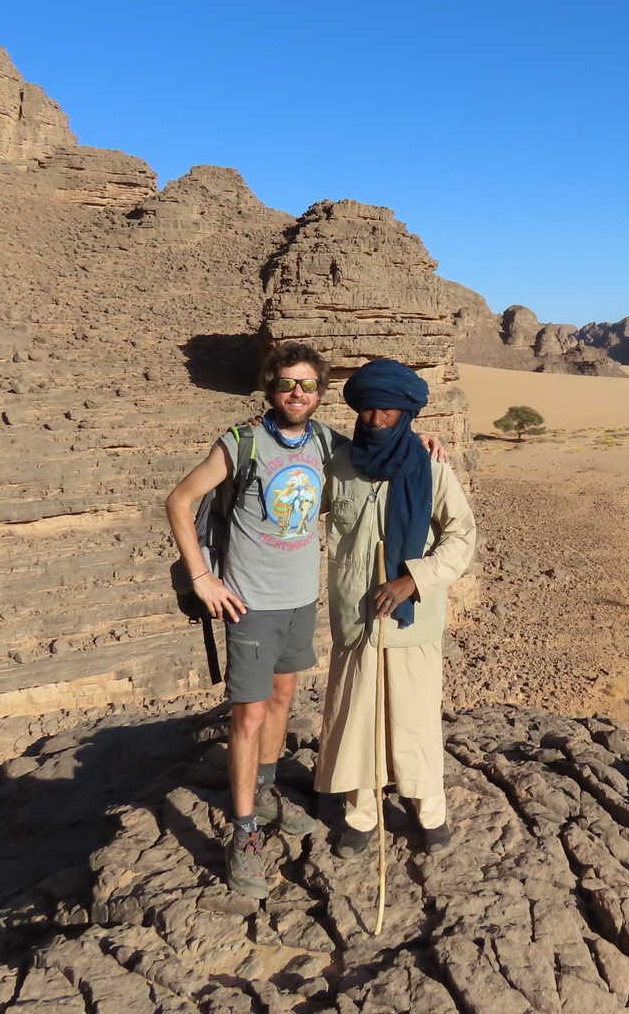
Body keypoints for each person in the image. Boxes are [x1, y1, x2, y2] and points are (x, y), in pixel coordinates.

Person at [164, 343, 445, 898]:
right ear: (270, 388)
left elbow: (377, 453)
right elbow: (179, 500)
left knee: (281, 702)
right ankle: (243, 832)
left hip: (299, 601)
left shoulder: (323, 443)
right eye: (288, 383)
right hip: (248, 601)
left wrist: (421, 442)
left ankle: (265, 795)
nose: (298, 393)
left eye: (309, 385)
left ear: (319, 394)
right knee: (247, 716)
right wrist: (202, 579)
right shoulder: (241, 443)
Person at [315, 358, 476, 857]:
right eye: (367, 409)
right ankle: (361, 816)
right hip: (356, 619)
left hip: (413, 624)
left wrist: (413, 579)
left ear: (406, 413)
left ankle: (429, 812)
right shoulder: (338, 465)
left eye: (386, 410)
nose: (376, 419)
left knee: (414, 719)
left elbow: (462, 538)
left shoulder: (431, 468)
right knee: (358, 715)